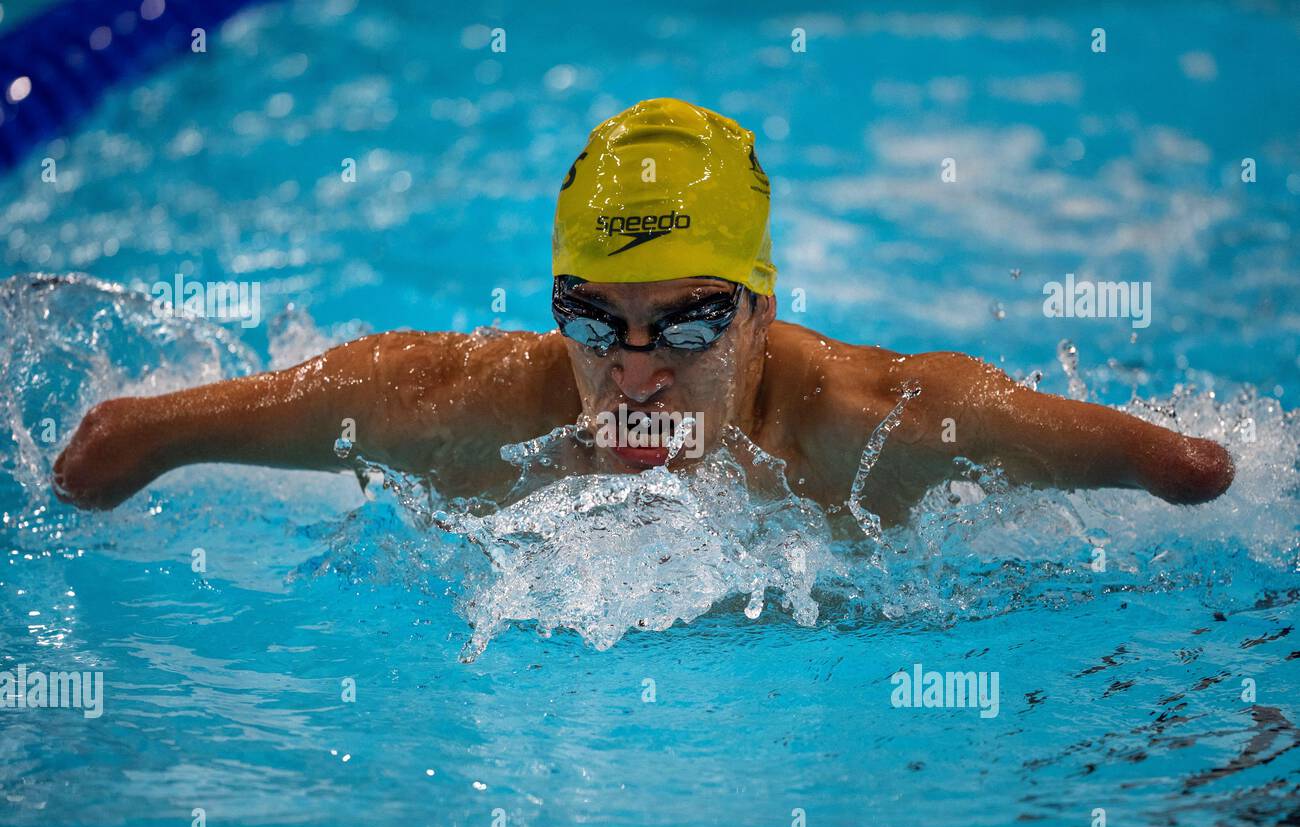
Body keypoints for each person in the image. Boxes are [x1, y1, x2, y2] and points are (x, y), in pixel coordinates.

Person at [52, 98, 1234, 526]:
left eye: (685, 325)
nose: (634, 373)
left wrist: (1181, 470)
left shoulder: (882, 428)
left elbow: (1183, 470)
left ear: (764, 314)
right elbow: (129, 434)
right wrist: (122, 457)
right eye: (592, 320)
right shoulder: (453, 410)